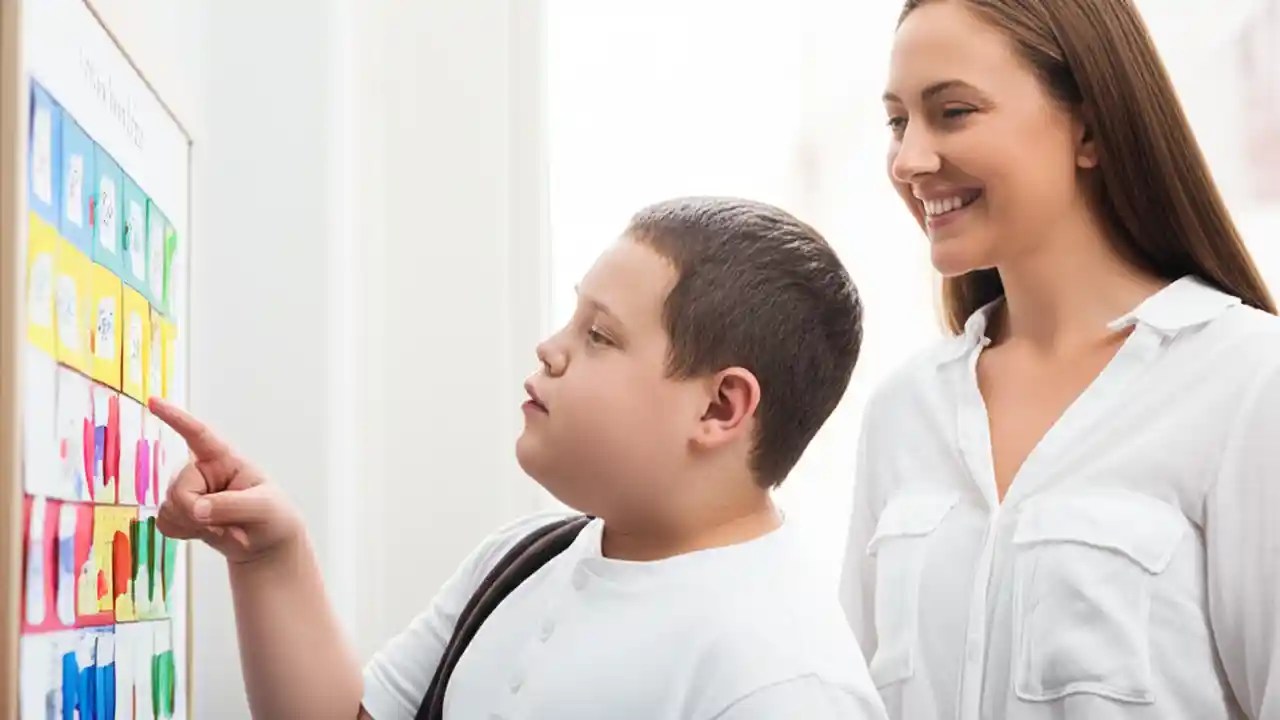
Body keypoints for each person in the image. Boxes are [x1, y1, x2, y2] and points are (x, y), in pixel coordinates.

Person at [153, 197, 888, 719]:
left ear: (720, 408)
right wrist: (269, 557)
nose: (551, 348)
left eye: (599, 335)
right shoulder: (524, 558)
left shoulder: (784, 682)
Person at [840, 1, 1280, 719]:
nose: (909, 160)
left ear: (1091, 129)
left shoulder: (1250, 383)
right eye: (898, 122)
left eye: (952, 111)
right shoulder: (903, 411)